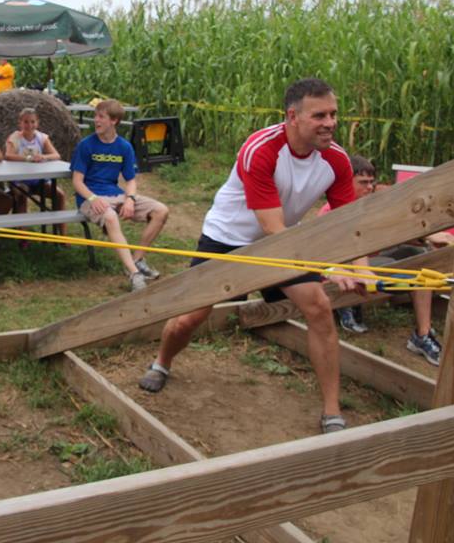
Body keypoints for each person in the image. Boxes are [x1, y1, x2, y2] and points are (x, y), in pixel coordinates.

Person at [137, 78, 368, 435]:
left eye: (333, 114)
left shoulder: (336, 161)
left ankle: (331, 410)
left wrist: (359, 269)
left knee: (319, 308)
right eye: (319, 115)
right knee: (190, 319)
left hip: (285, 242)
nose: (330, 123)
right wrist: (327, 267)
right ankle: (162, 362)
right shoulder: (261, 149)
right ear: (292, 116)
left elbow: (348, 226)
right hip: (230, 239)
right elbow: (272, 228)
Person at [318, 155, 449, 366]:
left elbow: (392, 232)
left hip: (371, 263)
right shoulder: (331, 211)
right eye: (363, 182)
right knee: (415, 268)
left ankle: (421, 335)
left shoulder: (371, 206)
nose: (369, 187)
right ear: (345, 182)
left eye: (372, 182)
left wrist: (428, 237)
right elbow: (326, 257)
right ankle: (348, 307)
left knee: (421, 256)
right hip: (345, 271)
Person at [71, 99, 169, 292]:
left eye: (101, 117)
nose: (95, 121)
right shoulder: (86, 145)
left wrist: (130, 199)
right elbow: (77, 182)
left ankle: (138, 259)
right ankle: (134, 275)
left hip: (115, 194)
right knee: (110, 216)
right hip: (89, 197)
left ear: (114, 121)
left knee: (161, 210)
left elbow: (130, 180)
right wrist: (93, 198)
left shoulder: (124, 147)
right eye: (95, 116)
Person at [4, 107, 68, 232]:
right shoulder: (15, 138)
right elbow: (8, 155)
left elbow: (56, 155)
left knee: (59, 195)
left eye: (32, 122)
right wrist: (28, 158)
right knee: (22, 195)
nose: (29, 125)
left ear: (37, 123)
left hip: (39, 180)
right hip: (19, 180)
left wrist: (43, 156)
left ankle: (63, 234)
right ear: (20, 123)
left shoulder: (42, 137)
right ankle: (23, 234)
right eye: (26, 122)